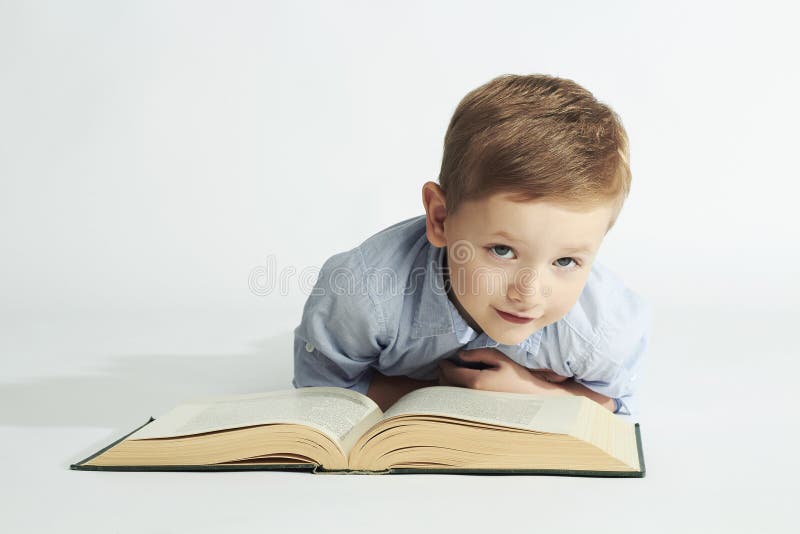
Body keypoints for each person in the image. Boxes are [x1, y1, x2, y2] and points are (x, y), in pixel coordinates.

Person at [292, 74, 652, 416]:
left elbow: (617, 404)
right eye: (502, 251)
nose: (529, 293)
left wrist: (534, 393)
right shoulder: (365, 295)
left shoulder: (600, 329)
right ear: (440, 218)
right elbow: (320, 391)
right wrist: (448, 393)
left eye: (565, 261)